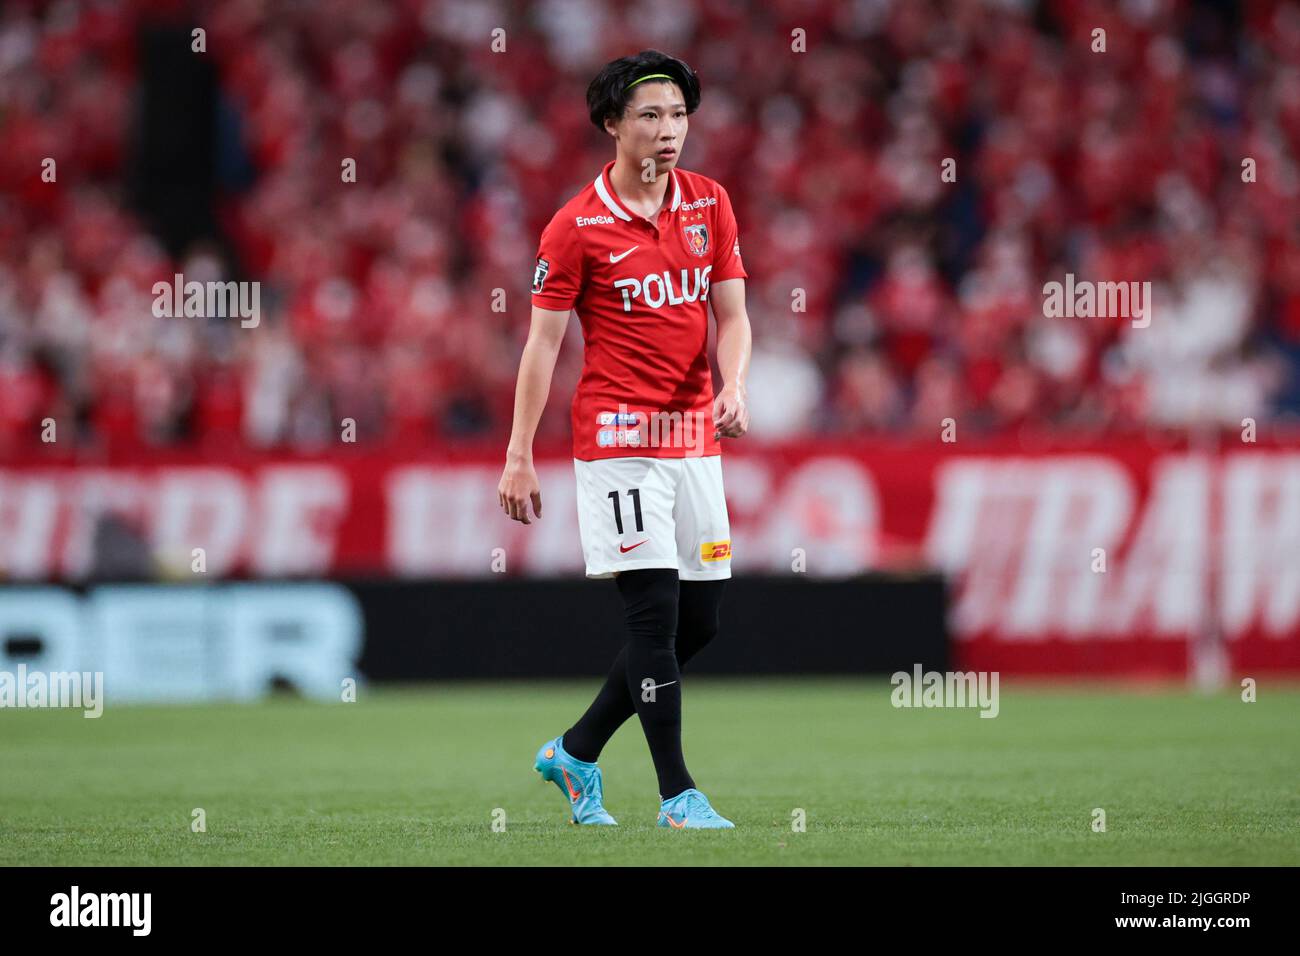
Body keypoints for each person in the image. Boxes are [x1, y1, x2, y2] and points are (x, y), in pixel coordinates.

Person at [497, 49, 752, 829]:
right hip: (617, 441)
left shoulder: (710, 203)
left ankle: (575, 751)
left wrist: (733, 384)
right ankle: (679, 797)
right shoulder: (575, 227)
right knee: (651, 620)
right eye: (650, 114)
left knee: (697, 624)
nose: (669, 129)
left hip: (692, 439)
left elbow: (733, 317)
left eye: (678, 114)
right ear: (612, 125)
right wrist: (518, 454)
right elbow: (541, 346)